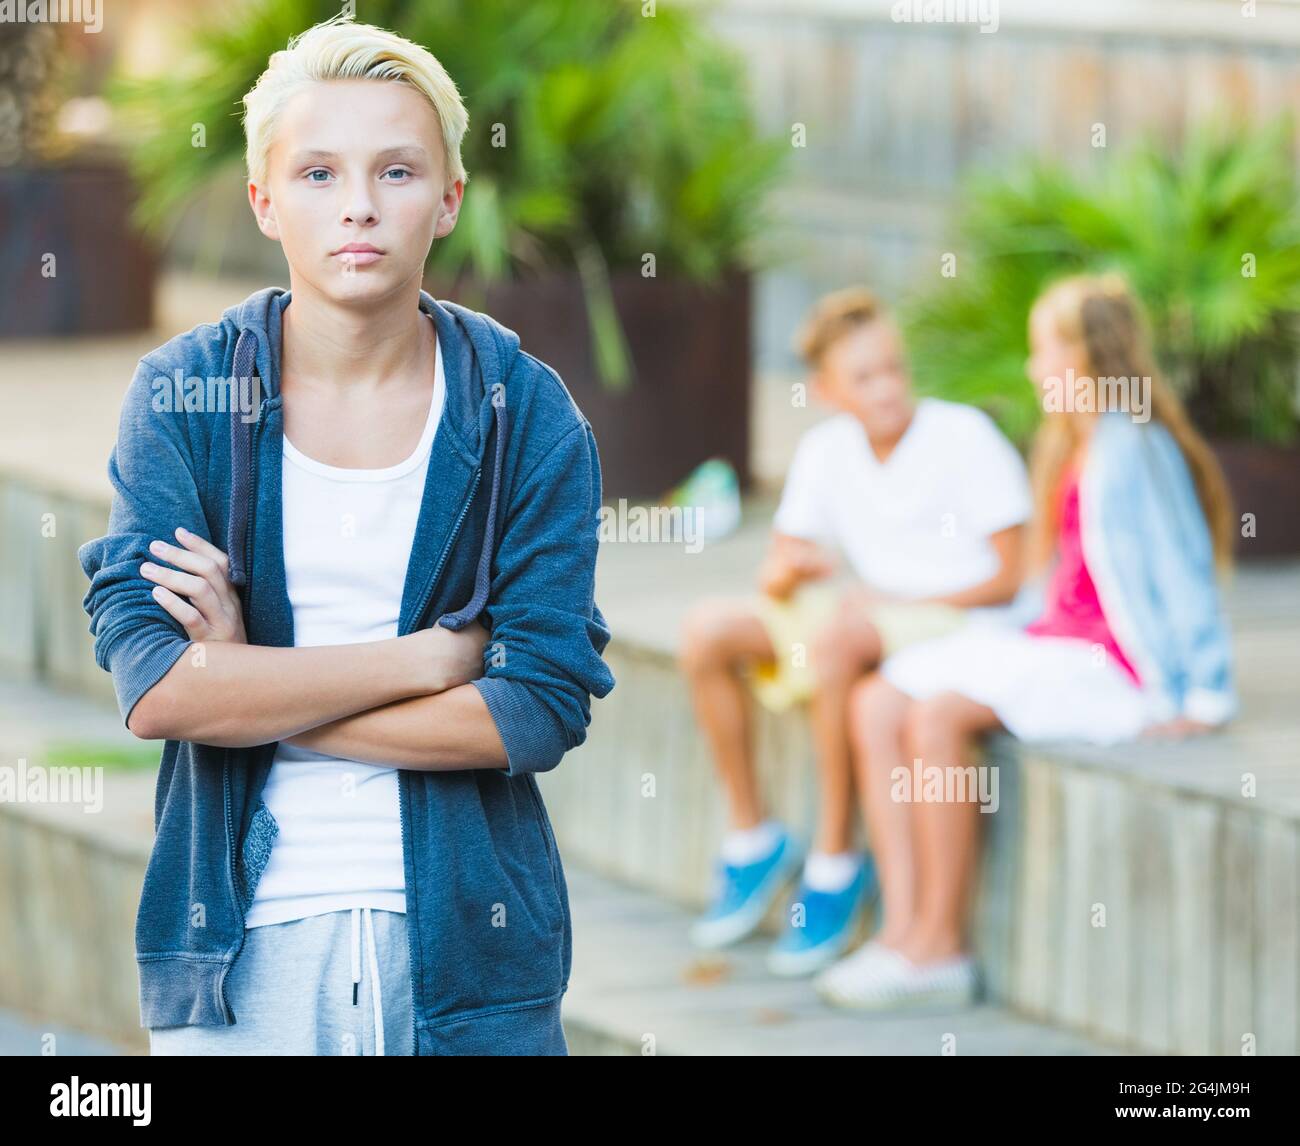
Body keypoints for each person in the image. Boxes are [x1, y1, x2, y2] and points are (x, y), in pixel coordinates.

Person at [76, 14, 615, 1055]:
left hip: (468, 958)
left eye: (398, 171)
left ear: (450, 197)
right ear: (263, 200)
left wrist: (252, 686)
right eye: (318, 173)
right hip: (241, 958)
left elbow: (536, 707)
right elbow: (156, 686)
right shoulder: (185, 396)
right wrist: (422, 663)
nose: (359, 206)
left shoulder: (523, 413)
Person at [814, 271, 1237, 1010]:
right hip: (1054, 644)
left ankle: (942, 950)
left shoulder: (1134, 443)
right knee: (879, 701)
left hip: (1114, 669)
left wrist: (1204, 694)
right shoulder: (1070, 444)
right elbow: (1059, 586)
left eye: (1045, 352)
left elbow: (1184, 565)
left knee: (939, 715)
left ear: (1087, 359)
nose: (1035, 369)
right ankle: (903, 932)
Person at [679, 288, 1032, 975]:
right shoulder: (825, 450)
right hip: (871, 615)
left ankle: (835, 860)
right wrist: (792, 570)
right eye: (865, 377)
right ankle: (755, 842)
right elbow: (778, 571)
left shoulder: (963, 434)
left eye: (894, 368)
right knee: (708, 631)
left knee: (843, 636)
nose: (888, 388)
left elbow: (1012, 577)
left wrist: (887, 597)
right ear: (827, 390)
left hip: (961, 615)